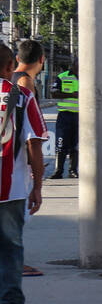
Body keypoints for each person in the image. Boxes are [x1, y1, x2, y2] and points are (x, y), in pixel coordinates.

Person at [0, 43, 47, 304]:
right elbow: (34, 145)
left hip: (12, 188)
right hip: (12, 188)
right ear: (10, 67)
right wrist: (37, 186)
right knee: (11, 248)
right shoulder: (22, 96)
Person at [14, 41, 46, 279]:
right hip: (18, 159)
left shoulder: (10, 77)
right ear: (42, 60)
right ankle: (16, 262)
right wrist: (37, 177)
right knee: (17, 216)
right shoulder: (25, 83)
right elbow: (31, 136)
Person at [52, 61, 78, 179]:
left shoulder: (89, 76)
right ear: (73, 65)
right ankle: (58, 171)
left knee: (75, 145)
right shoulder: (62, 77)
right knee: (61, 143)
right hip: (64, 116)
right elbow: (54, 93)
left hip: (80, 116)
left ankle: (72, 171)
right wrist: (71, 95)